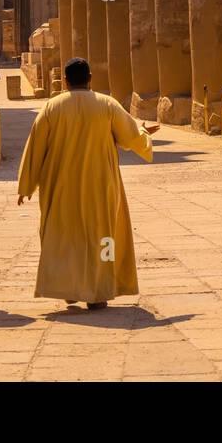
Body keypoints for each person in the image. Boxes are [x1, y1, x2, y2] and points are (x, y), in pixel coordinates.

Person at [17, 57, 157, 309]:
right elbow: (130, 135)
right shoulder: (106, 105)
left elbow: (35, 146)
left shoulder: (52, 107)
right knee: (101, 237)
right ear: (90, 78)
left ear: (66, 81)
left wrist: (26, 185)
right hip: (100, 186)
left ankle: (69, 287)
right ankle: (98, 291)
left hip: (61, 186)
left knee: (64, 236)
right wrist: (145, 134)